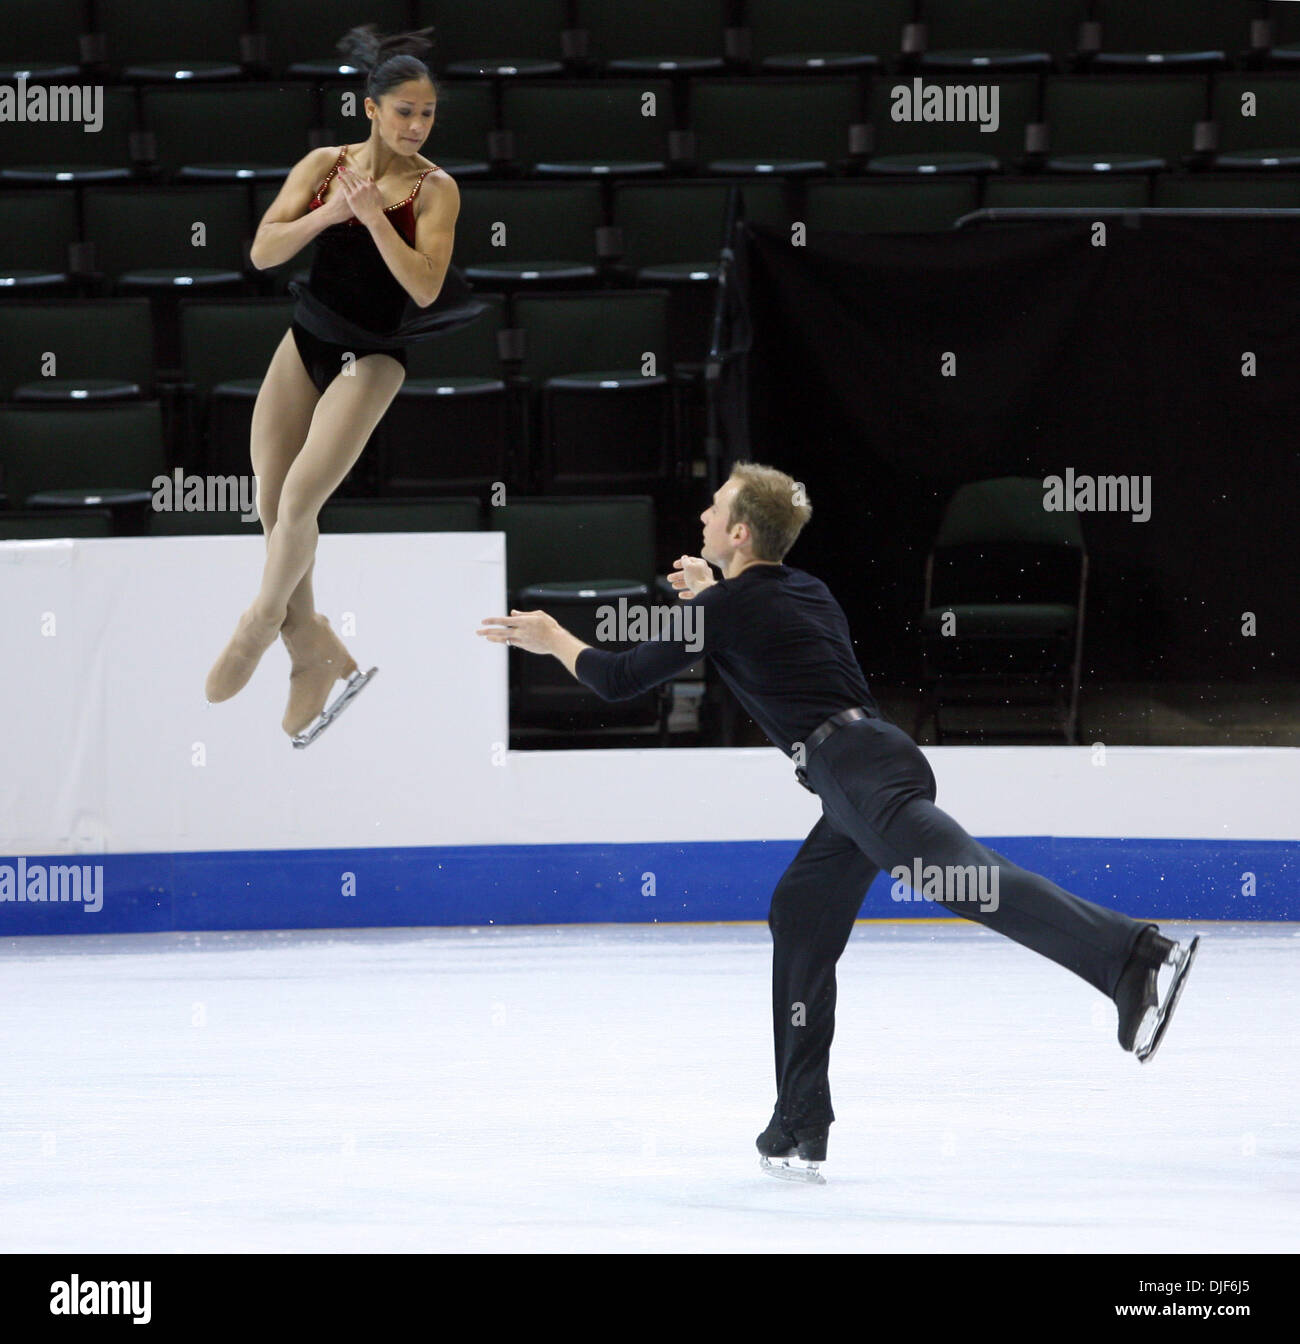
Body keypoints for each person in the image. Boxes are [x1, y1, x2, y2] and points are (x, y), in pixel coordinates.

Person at [477, 462, 1199, 1182]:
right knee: (799, 911)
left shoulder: (727, 608)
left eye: (715, 506)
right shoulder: (805, 590)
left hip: (855, 780)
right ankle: (799, 1120)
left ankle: (1131, 955)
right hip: (876, 763)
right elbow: (760, 638)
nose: (700, 515)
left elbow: (616, 678)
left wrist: (553, 637)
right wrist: (713, 598)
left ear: (737, 531)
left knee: (976, 885)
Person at [205, 23, 485, 743]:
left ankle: (261, 624)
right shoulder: (324, 163)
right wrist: (331, 211)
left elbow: (425, 288)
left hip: (375, 355)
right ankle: (314, 649)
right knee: (270, 500)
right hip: (307, 340)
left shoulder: (436, 189)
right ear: (370, 109)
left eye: (427, 114)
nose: (418, 126)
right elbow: (265, 249)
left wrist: (373, 220)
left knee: (301, 497)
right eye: (404, 112)